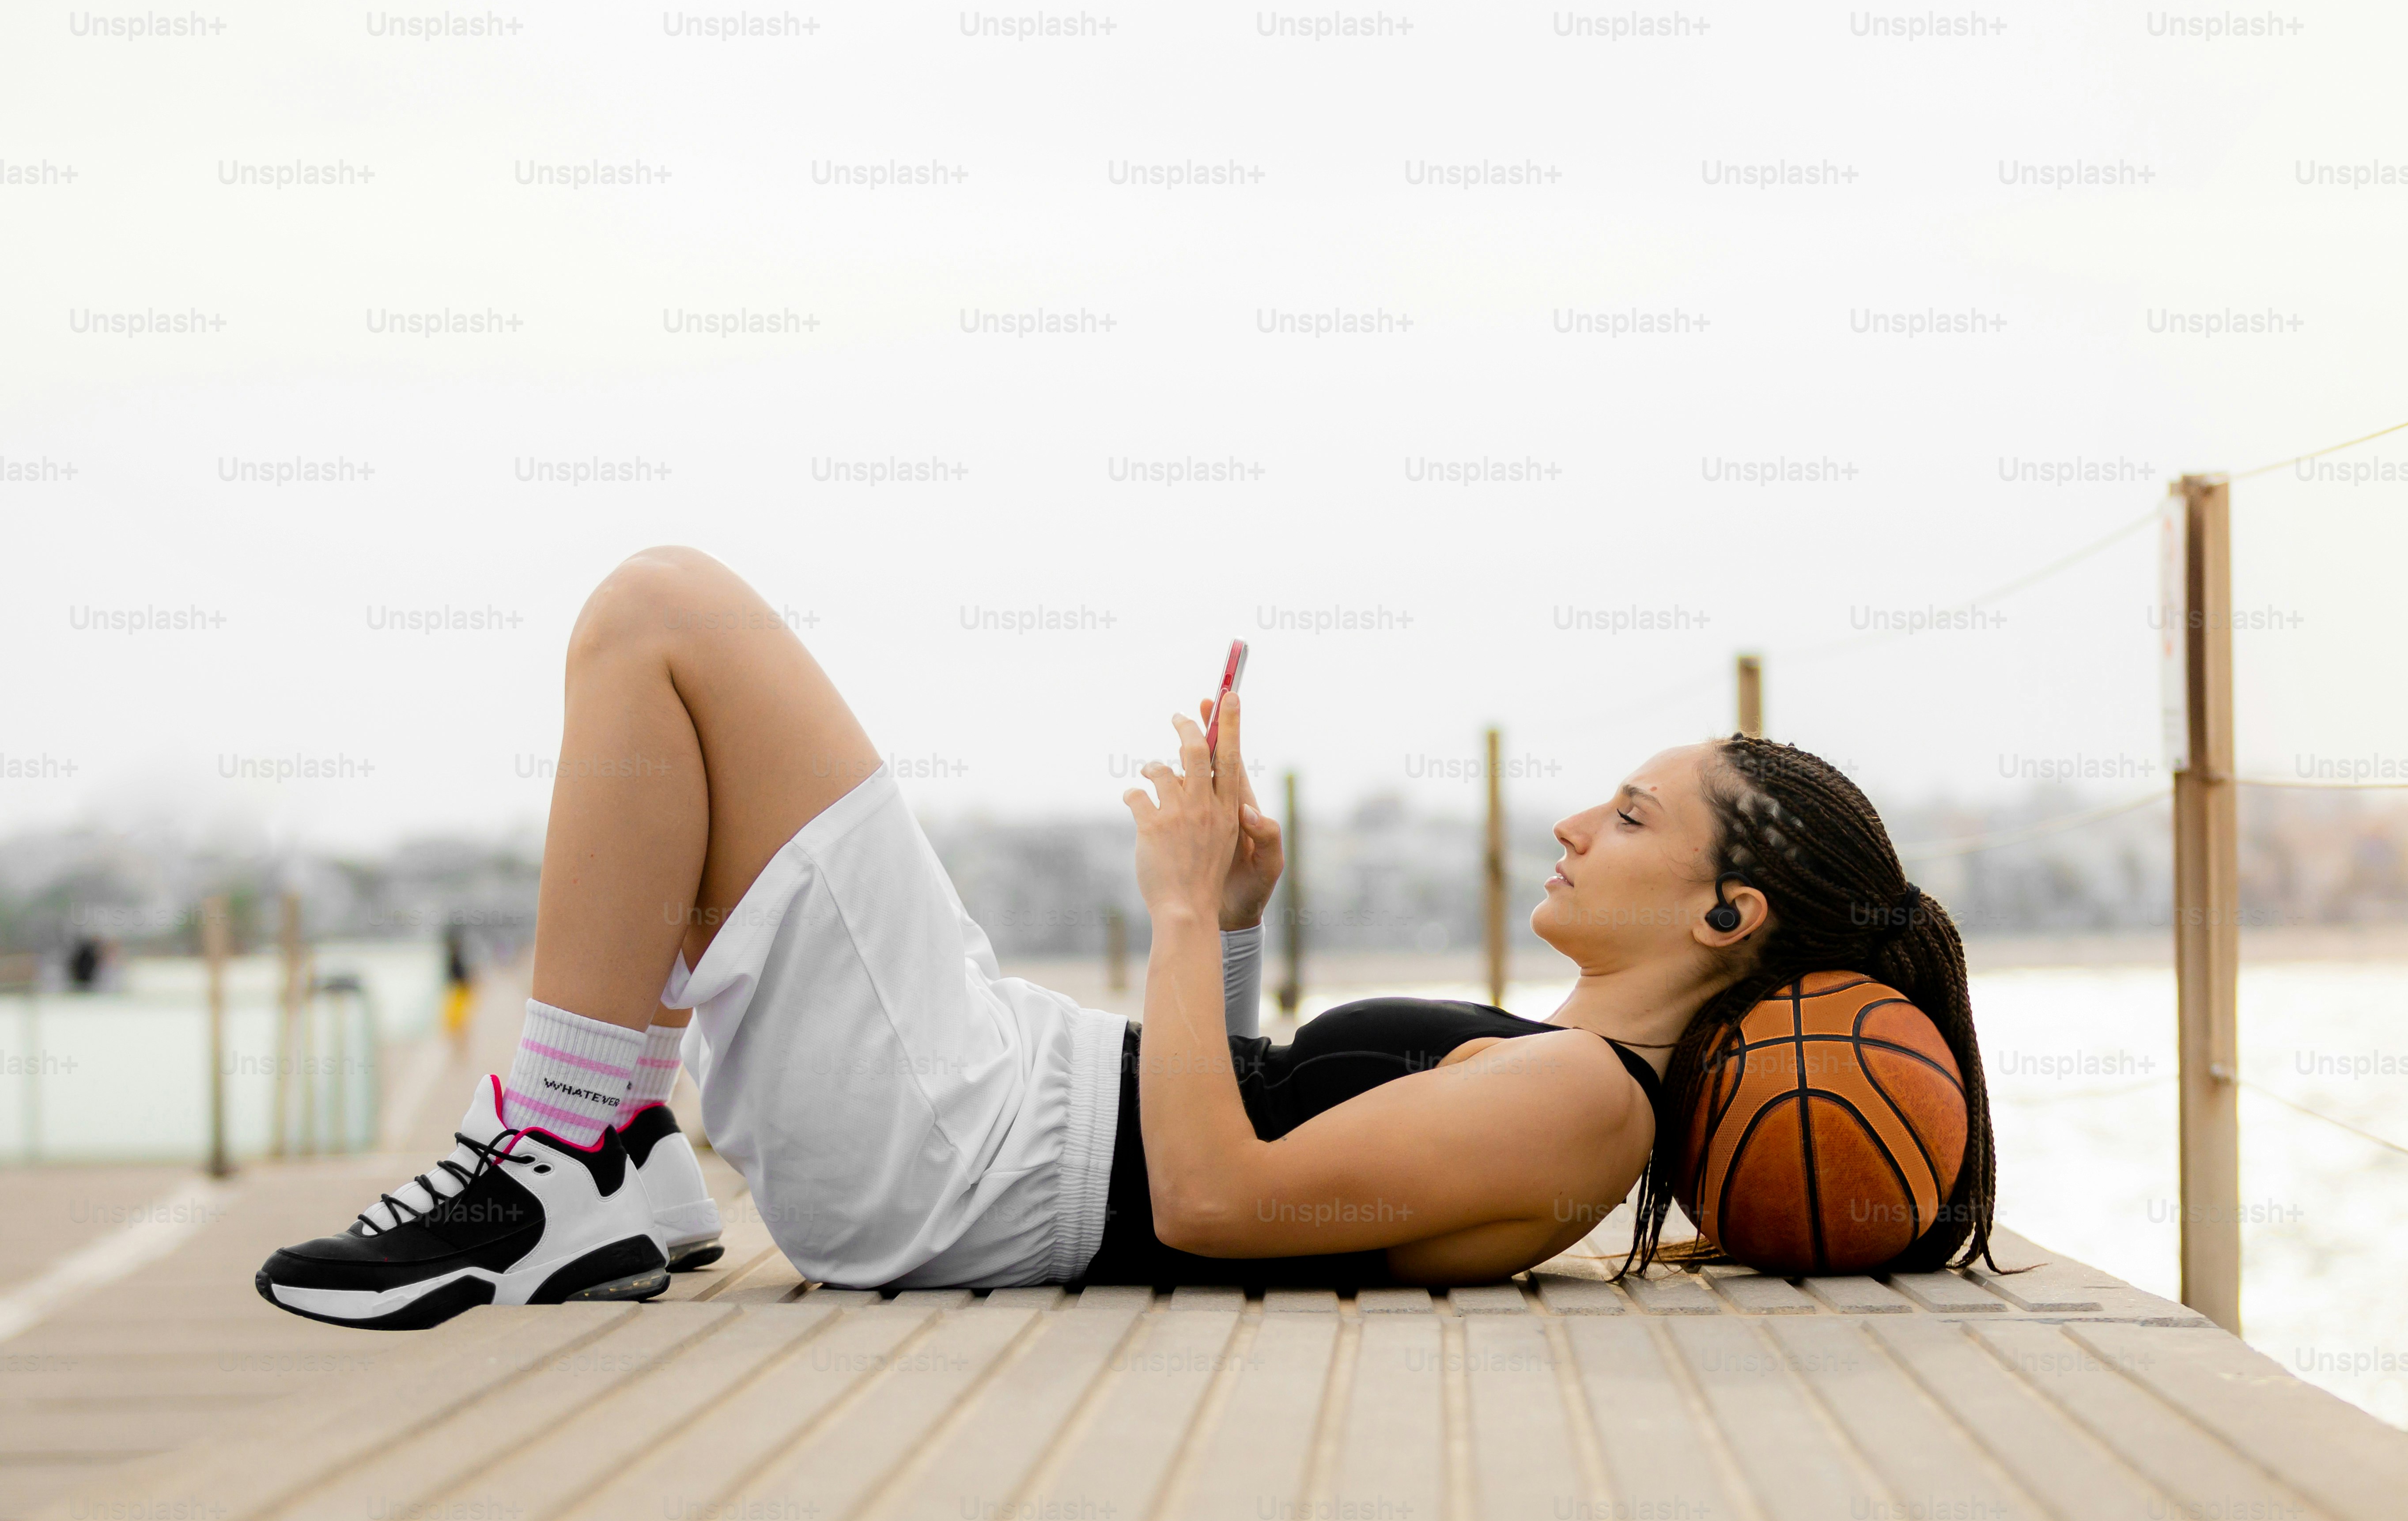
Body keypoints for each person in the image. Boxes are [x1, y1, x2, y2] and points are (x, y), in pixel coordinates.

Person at [254, 548, 1997, 1327]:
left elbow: (1218, 1205)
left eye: (1627, 817)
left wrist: (1169, 903)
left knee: (662, 613)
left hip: (965, 1152)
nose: (1572, 826)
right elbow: (1246, 1150)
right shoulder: (1573, 1084)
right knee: (682, 704)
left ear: (1725, 914)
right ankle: (611, 1154)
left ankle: (564, 1156)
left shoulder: (1594, 1107)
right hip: (995, 1115)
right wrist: (1230, 929)